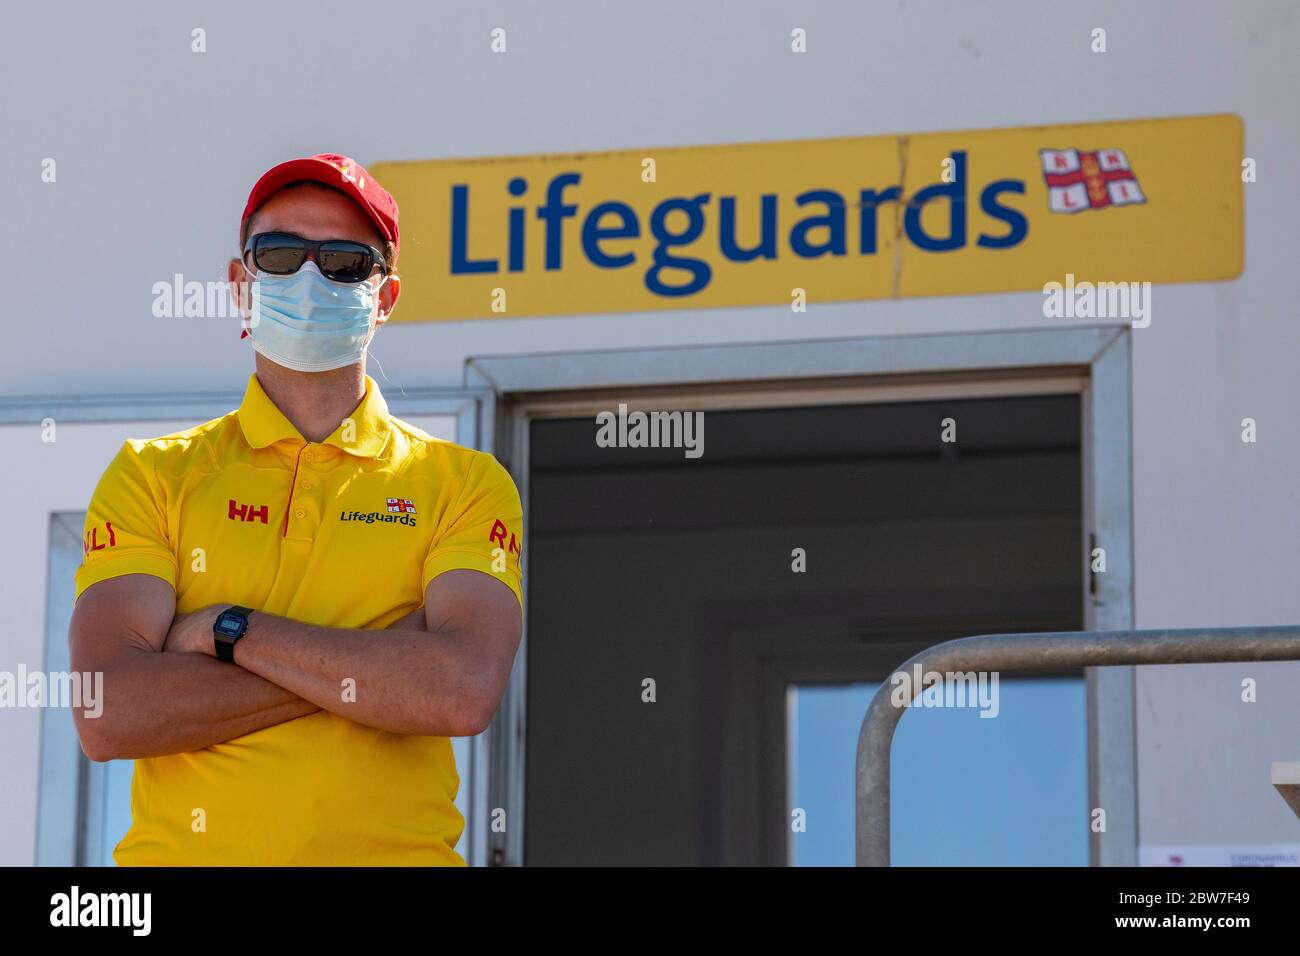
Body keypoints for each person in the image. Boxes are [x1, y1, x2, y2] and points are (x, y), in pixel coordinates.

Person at [68, 154, 524, 866]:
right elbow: (107, 713)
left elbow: (461, 692)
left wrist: (231, 632)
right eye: (278, 255)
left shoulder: (465, 484)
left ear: (386, 296)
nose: (309, 280)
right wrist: (378, 673)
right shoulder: (152, 474)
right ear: (238, 284)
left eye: (345, 262)